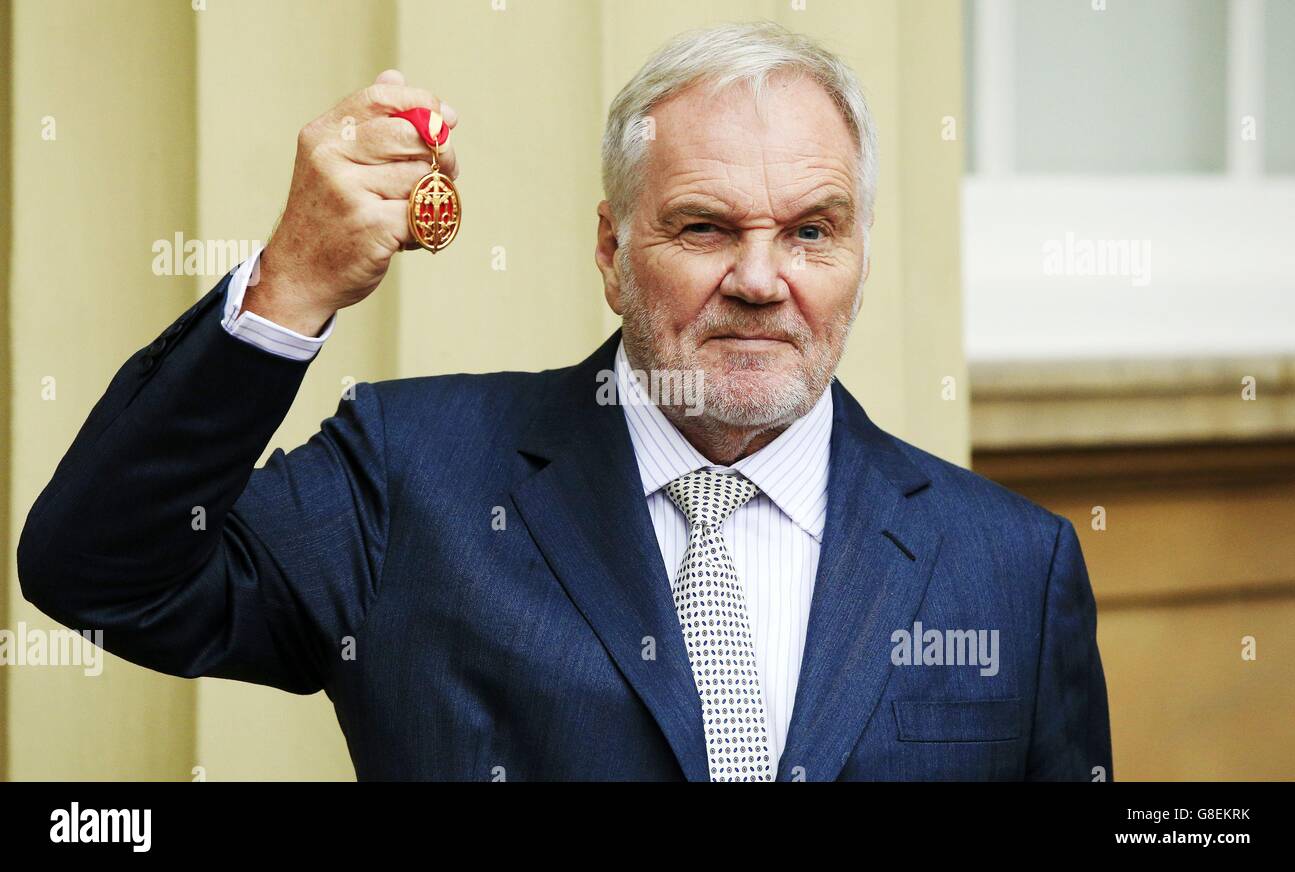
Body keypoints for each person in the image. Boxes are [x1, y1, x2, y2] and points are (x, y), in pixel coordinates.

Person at [18, 21, 1111, 781]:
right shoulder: (413, 480)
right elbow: (102, 570)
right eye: (704, 226)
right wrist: (290, 288)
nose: (761, 277)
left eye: (811, 230)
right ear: (610, 249)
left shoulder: (1011, 565)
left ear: (860, 253)